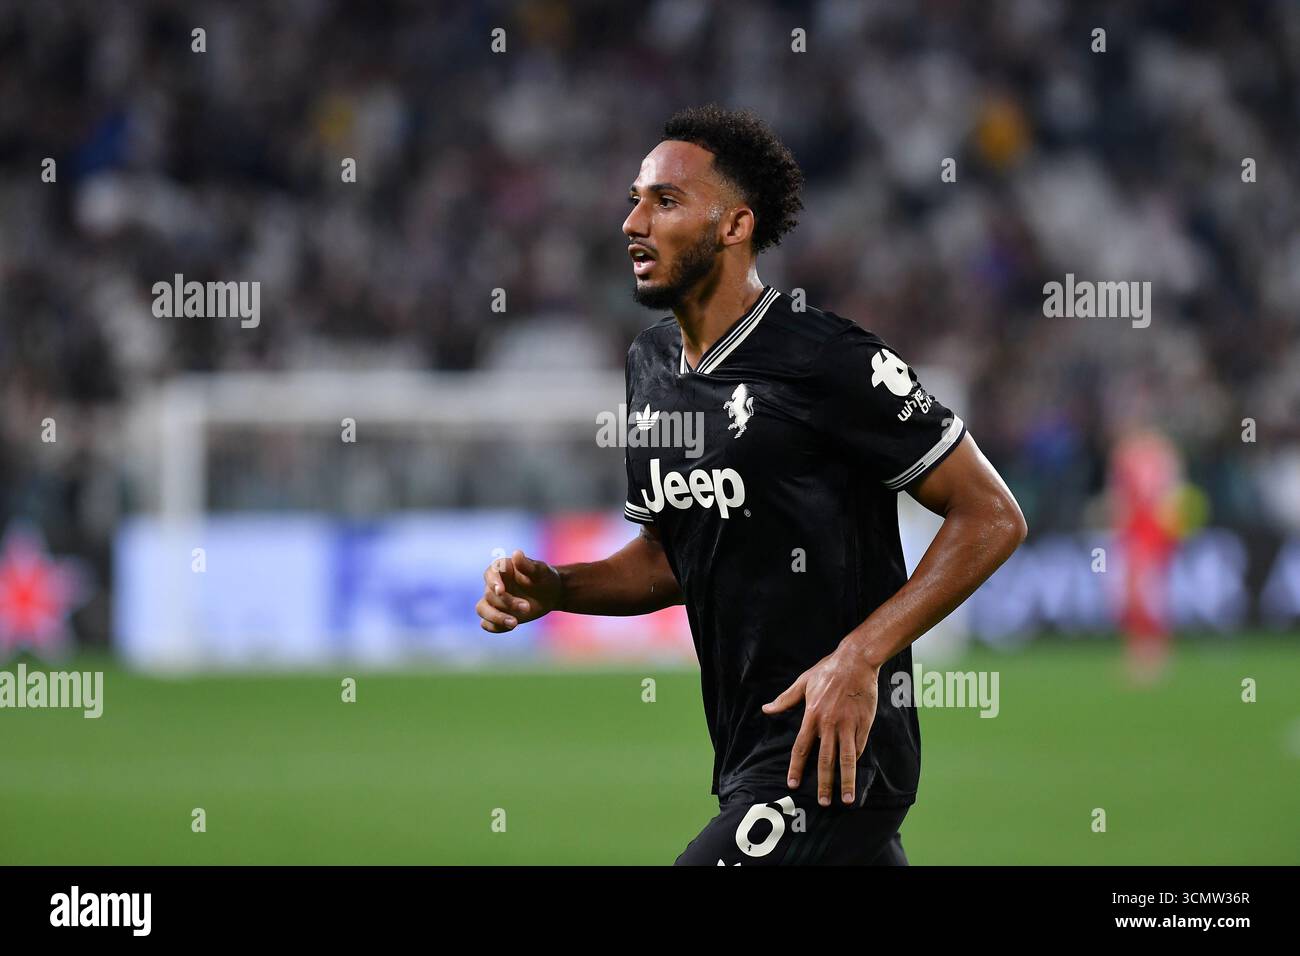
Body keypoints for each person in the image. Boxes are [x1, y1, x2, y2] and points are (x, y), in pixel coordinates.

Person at [476, 105, 1027, 865]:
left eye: (665, 201)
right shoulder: (651, 367)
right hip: (745, 753)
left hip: (834, 760)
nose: (634, 222)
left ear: (735, 226)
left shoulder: (827, 360)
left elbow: (990, 515)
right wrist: (559, 587)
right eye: (635, 199)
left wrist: (861, 656)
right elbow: (675, 557)